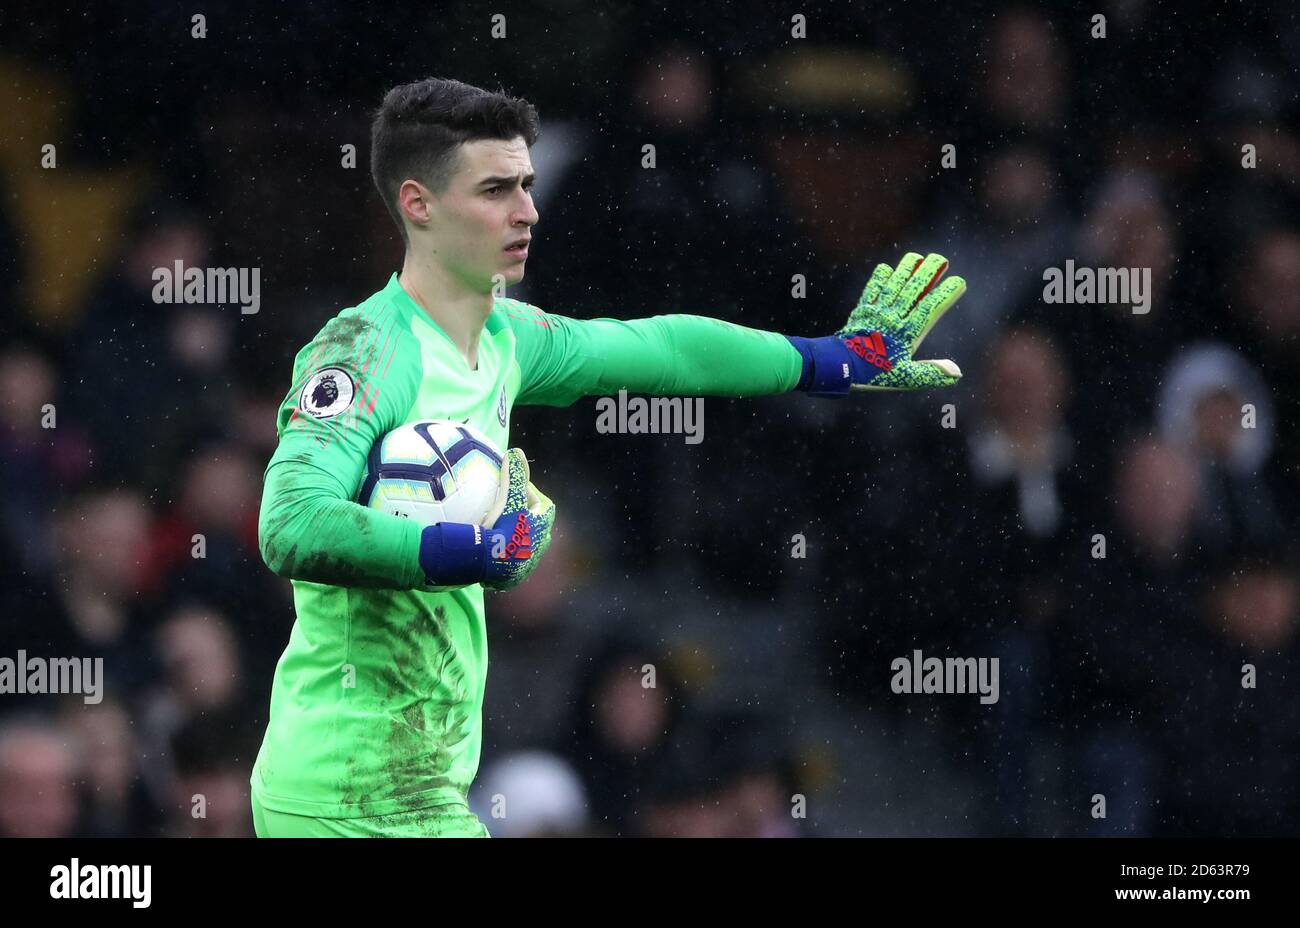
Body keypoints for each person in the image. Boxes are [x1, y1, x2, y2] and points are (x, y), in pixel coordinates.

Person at [251, 77, 970, 837]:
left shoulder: (503, 338)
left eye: (526, 185)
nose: (527, 210)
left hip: (413, 786)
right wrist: (468, 551)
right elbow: (290, 522)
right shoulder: (366, 350)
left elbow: (660, 346)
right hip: (341, 789)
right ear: (419, 204)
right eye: (495, 189)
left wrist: (827, 362)